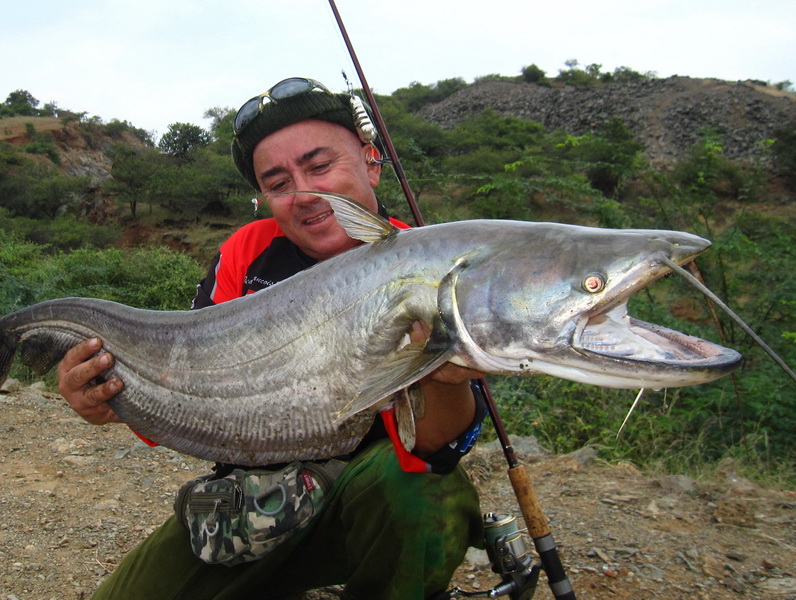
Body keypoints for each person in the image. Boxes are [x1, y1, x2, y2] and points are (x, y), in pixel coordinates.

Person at [57, 77, 488, 599]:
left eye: (320, 165)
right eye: (278, 182)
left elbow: (434, 450)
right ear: (264, 196)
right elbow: (187, 390)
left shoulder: (434, 265)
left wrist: (444, 378)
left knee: (424, 491)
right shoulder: (248, 252)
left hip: (367, 501)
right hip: (251, 507)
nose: (305, 195)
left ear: (371, 160)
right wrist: (111, 397)